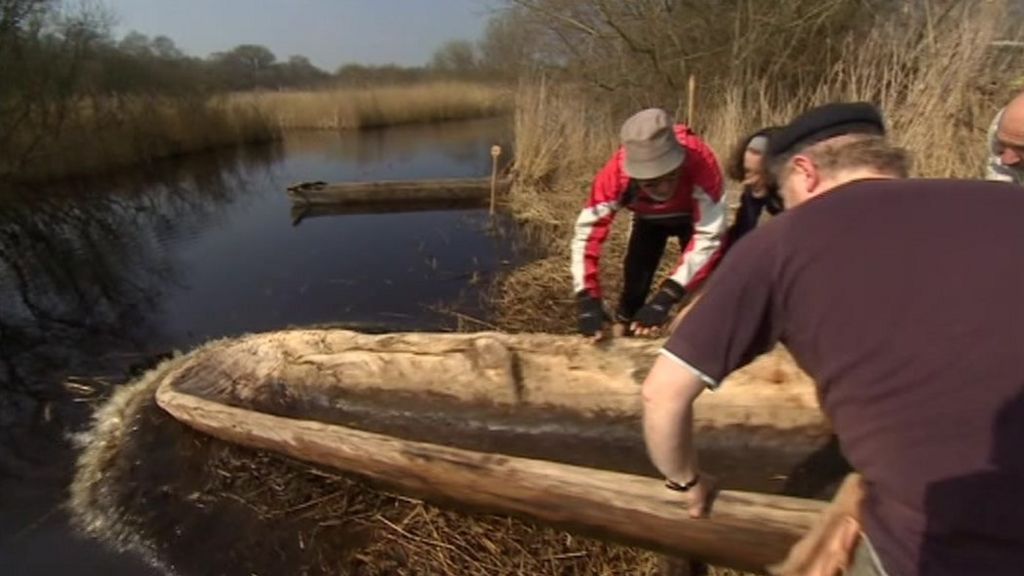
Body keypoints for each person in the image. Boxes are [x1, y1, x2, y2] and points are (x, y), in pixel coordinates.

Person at [641, 101, 1024, 575]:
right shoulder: (1007, 203)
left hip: (936, 550)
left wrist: (685, 482)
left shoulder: (782, 242)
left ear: (805, 172)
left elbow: (662, 394)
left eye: (783, 197)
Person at [570, 108, 726, 340]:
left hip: (691, 220)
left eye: (671, 176)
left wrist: (668, 295)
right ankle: (625, 332)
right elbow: (587, 234)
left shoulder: (701, 161)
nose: (664, 189)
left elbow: (709, 236)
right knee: (636, 282)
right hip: (648, 221)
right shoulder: (615, 175)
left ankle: (697, 336)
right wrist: (586, 295)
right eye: (651, 183)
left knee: (704, 288)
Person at [724, 126, 785, 247]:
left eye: (758, 174)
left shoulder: (793, 195)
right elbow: (741, 234)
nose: (749, 181)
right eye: (747, 172)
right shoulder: (751, 192)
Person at [984, 91, 1024, 185]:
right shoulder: (1005, 124)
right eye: (1003, 145)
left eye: (1022, 148)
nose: (1006, 160)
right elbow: (1000, 185)